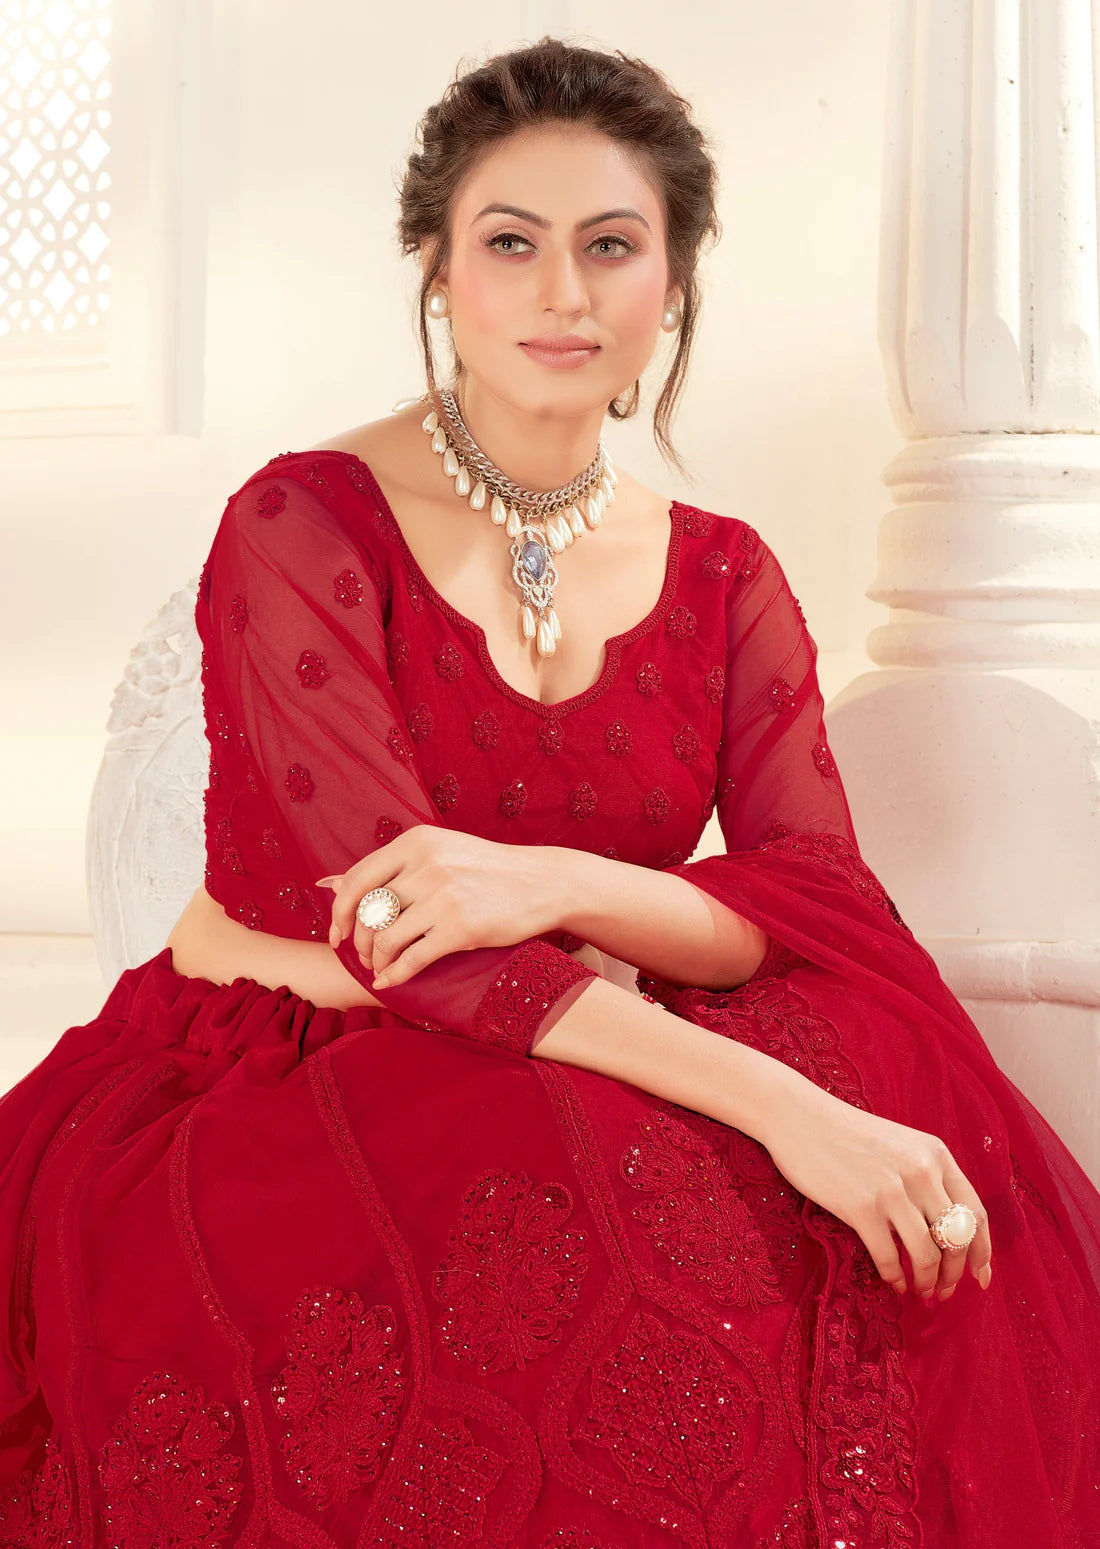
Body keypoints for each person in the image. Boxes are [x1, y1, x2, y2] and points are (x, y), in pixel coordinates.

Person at [2, 36, 1099, 1549]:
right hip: (308, 1049)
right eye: (511, 244)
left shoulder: (722, 572)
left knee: (845, 1130)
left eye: (611, 246)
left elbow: (816, 903)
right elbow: (404, 931)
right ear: (441, 276)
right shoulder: (302, 527)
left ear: (674, 286)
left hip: (587, 1015)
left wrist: (557, 884)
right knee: (612, 1230)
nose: (562, 294)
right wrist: (791, 1110)